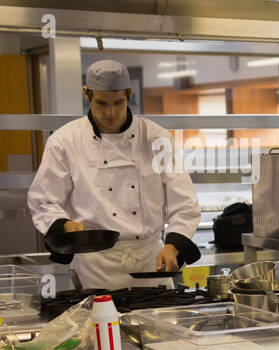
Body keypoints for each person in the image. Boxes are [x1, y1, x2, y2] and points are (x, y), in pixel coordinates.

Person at [27, 59, 201, 288]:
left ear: (129, 93)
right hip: (93, 265)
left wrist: (174, 244)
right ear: (86, 94)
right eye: (101, 104)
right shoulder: (64, 141)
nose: (111, 113)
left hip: (149, 263)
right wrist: (63, 224)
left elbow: (185, 202)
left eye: (118, 103)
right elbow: (44, 199)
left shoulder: (157, 138)